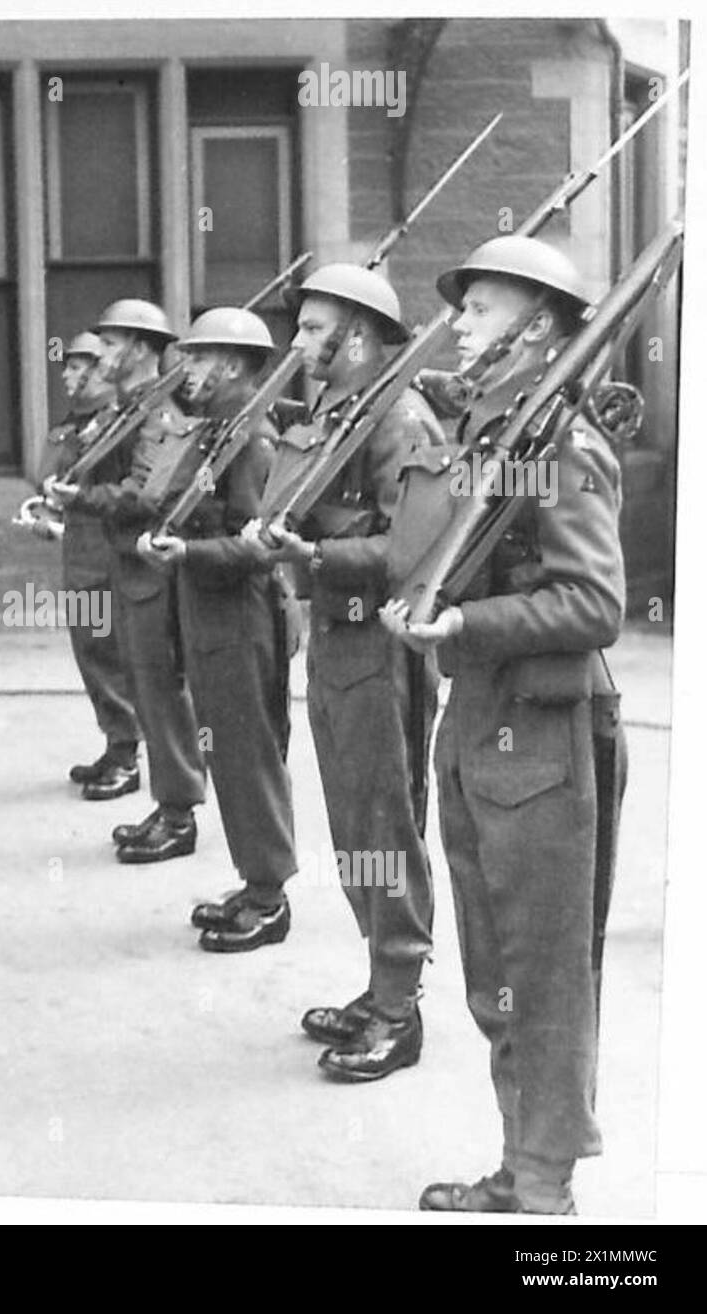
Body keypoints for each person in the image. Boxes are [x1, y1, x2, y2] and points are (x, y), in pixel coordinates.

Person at [380, 235, 626, 1212]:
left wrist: (462, 622)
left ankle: (544, 1191)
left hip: (546, 730)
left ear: (535, 324)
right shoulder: (492, 438)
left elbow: (593, 605)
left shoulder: (561, 444)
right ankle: (522, 1168)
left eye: (477, 312)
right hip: (479, 717)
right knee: (497, 969)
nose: (458, 327)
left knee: (543, 971)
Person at [254, 265, 445, 1080]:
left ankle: (399, 1013)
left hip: (379, 647)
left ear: (357, 336)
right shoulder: (342, 410)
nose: (297, 343)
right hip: (338, 638)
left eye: (311, 328)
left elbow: (419, 551)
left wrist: (314, 555)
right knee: (352, 826)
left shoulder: (401, 420)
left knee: (384, 824)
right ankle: (379, 985)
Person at [137, 307, 301, 951]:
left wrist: (190, 555)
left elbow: (261, 545)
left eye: (201, 358)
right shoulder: (216, 433)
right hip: (206, 611)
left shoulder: (254, 440)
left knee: (248, 756)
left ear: (232, 365)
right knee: (226, 755)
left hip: (241, 617)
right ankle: (254, 880)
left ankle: (269, 896)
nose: (189, 370)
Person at [49, 300, 207, 863]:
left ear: (142, 348)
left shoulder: (159, 411)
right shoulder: (130, 407)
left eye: (113, 345)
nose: (103, 356)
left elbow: (148, 494)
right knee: (145, 688)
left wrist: (82, 499)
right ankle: (168, 805)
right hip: (125, 568)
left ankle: (181, 811)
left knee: (162, 694)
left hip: (149, 573)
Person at [28, 332, 141, 800]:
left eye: (83, 368)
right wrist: (42, 513)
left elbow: (130, 491)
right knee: (91, 654)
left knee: (113, 654)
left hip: (108, 557)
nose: (70, 377)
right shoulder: (68, 428)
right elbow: (50, 483)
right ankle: (116, 746)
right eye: (68, 368)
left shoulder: (121, 428)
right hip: (78, 555)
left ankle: (129, 756)